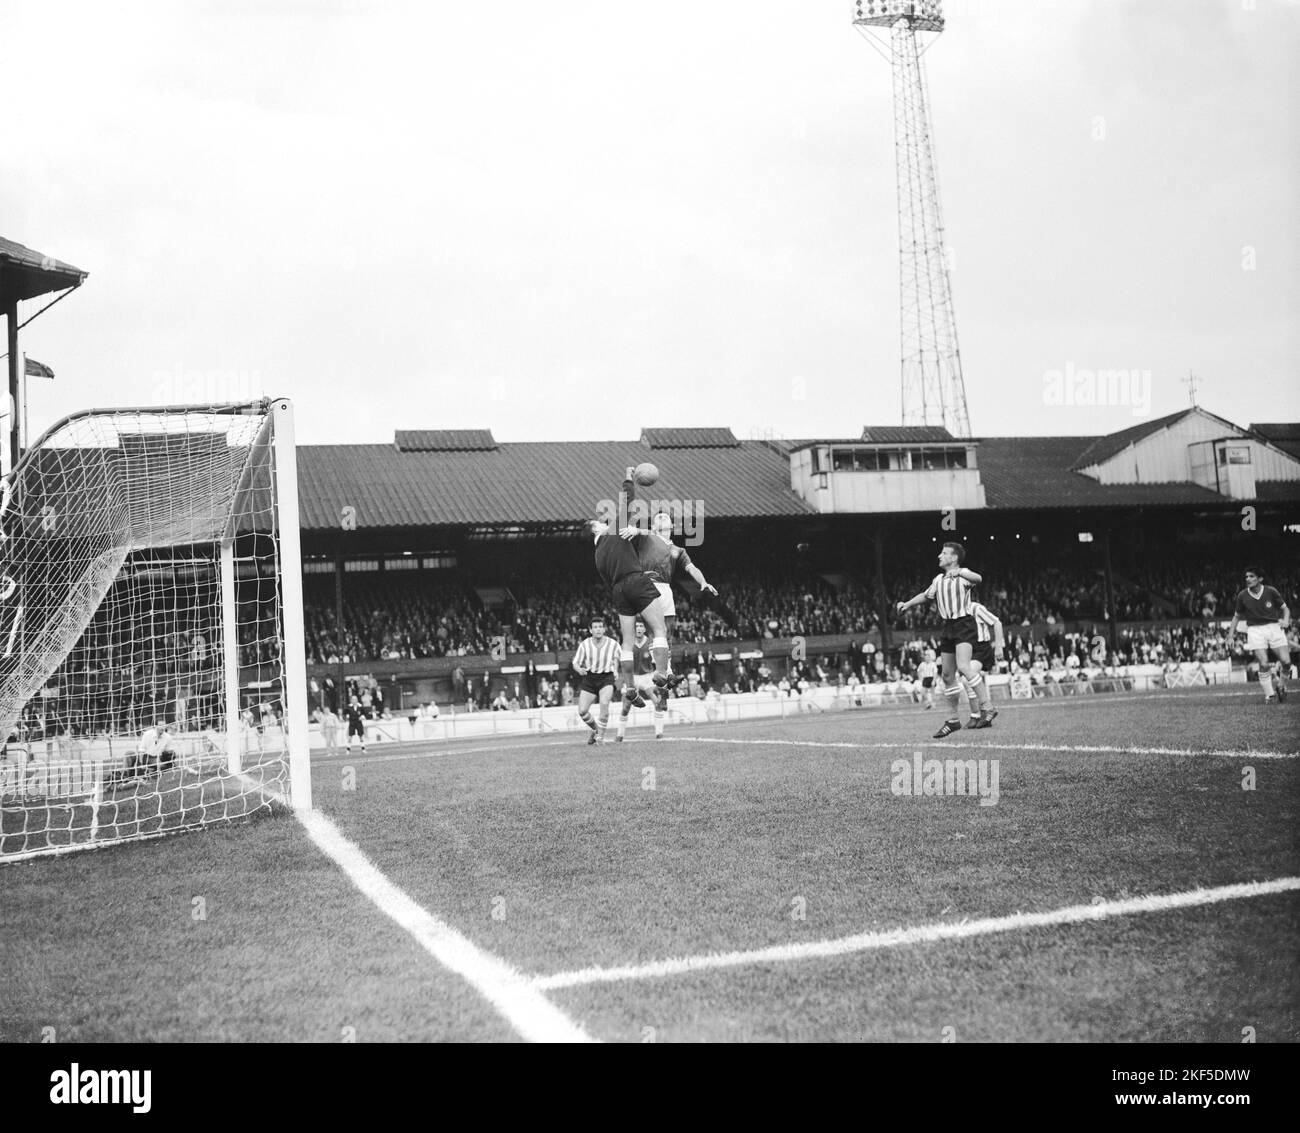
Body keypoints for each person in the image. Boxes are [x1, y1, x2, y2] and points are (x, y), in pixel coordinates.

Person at [588, 466, 671, 708]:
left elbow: (607, 578)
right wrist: (628, 476)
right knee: (660, 630)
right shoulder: (613, 530)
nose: (604, 522)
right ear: (595, 529)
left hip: (618, 590)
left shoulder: (598, 556)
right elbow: (628, 500)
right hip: (635, 580)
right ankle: (662, 674)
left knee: (626, 641)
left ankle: (630, 687)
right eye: (599, 522)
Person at [895, 541, 983, 737]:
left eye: (943, 553)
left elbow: (978, 578)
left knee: (964, 668)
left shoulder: (963, 575)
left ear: (953, 558)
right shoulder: (938, 580)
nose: (939, 556)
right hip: (948, 627)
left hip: (963, 625)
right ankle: (953, 720)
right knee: (947, 676)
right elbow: (927, 596)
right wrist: (907, 604)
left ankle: (985, 708)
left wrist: (960, 573)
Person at [1227, 568, 1291, 704]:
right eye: (1246, 577)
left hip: (1274, 628)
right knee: (1264, 663)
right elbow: (1236, 617)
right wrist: (1230, 636)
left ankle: (1281, 686)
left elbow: (1285, 609)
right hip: (1255, 630)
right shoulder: (1242, 596)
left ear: (1260, 579)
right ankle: (1270, 695)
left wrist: (1286, 620)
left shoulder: (1271, 591)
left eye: (1251, 576)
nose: (1247, 579)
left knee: (1286, 662)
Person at [615, 619, 668, 741]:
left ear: (644, 629)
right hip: (632, 678)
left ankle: (659, 734)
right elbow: (619, 658)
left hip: (647, 677)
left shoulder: (650, 643)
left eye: (641, 626)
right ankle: (620, 735)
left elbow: (658, 659)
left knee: (657, 702)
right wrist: (615, 671)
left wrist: (657, 672)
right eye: (636, 626)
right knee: (626, 706)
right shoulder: (628, 643)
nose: (638, 628)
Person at [573, 615, 620, 745]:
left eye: (600, 627)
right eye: (595, 627)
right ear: (590, 630)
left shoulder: (612, 644)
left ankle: (600, 738)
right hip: (590, 678)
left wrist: (615, 669)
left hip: (606, 677)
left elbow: (616, 658)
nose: (598, 629)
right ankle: (595, 730)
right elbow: (575, 663)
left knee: (604, 704)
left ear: (604, 629)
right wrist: (579, 670)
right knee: (582, 711)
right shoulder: (585, 645)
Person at [963, 601, 1003, 728]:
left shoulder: (976, 608)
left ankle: (983, 711)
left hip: (982, 649)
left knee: (967, 678)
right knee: (967, 681)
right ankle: (979, 717)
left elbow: (997, 623)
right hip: (969, 650)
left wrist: (998, 646)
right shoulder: (956, 612)